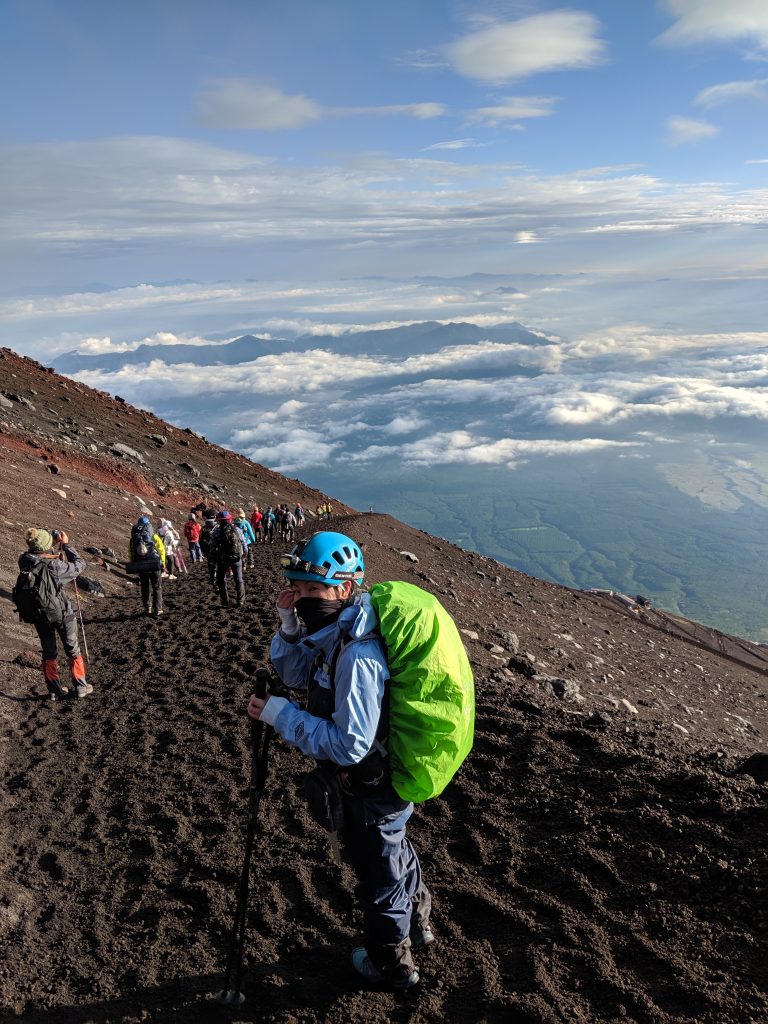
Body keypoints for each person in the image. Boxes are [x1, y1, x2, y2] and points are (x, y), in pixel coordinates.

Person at [247, 531, 432, 990]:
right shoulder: (336, 632)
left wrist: (280, 715)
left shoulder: (358, 654)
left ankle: (393, 966)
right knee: (396, 855)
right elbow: (297, 672)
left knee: (379, 875)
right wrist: (288, 625)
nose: (306, 598)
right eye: (300, 588)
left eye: (315, 590)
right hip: (367, 788)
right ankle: (419, 925)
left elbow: (351, 744)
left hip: (370, 788)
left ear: (345, 588)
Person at [16, 528, 93, 700]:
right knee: (72, 648)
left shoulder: (24, 560)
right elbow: (80, 565)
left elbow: (38, 556)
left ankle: (54, 690)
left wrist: (51, 546)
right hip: (60, 613)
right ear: (45, 545)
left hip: (38, 613)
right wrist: (66, 545)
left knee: (48, 651)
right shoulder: (54, 566)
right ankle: (81, 686)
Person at [129, 514, 165, 616]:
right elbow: (161, 550)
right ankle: (158, 609)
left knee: (145, 587)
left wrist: (135, 563)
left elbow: (131, 552)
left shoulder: (133, 539)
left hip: (141, 565)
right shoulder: (154, 536)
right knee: (157, 587)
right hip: (154, 564)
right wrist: (162, 564)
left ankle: (147, 607)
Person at [210, 510, 245, 607]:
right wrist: (244, 555)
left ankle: (225, 600)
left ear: (219, 521)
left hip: (223, 558)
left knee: (221, 579)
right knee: (239, 579)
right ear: (229, 519)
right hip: (236, 558)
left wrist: (212, 559)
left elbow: (213, 547)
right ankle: (240, 600)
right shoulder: (237, 530)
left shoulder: (216, 531)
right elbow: (243, 543)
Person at [200, 511, 218, 585]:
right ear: (214, 517)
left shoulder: (203, 528)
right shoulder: (218, 527)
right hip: (218, 549)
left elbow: (201, 541)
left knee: (211, 564)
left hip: (208, 550)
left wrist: (203, 552)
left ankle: (212, 578)